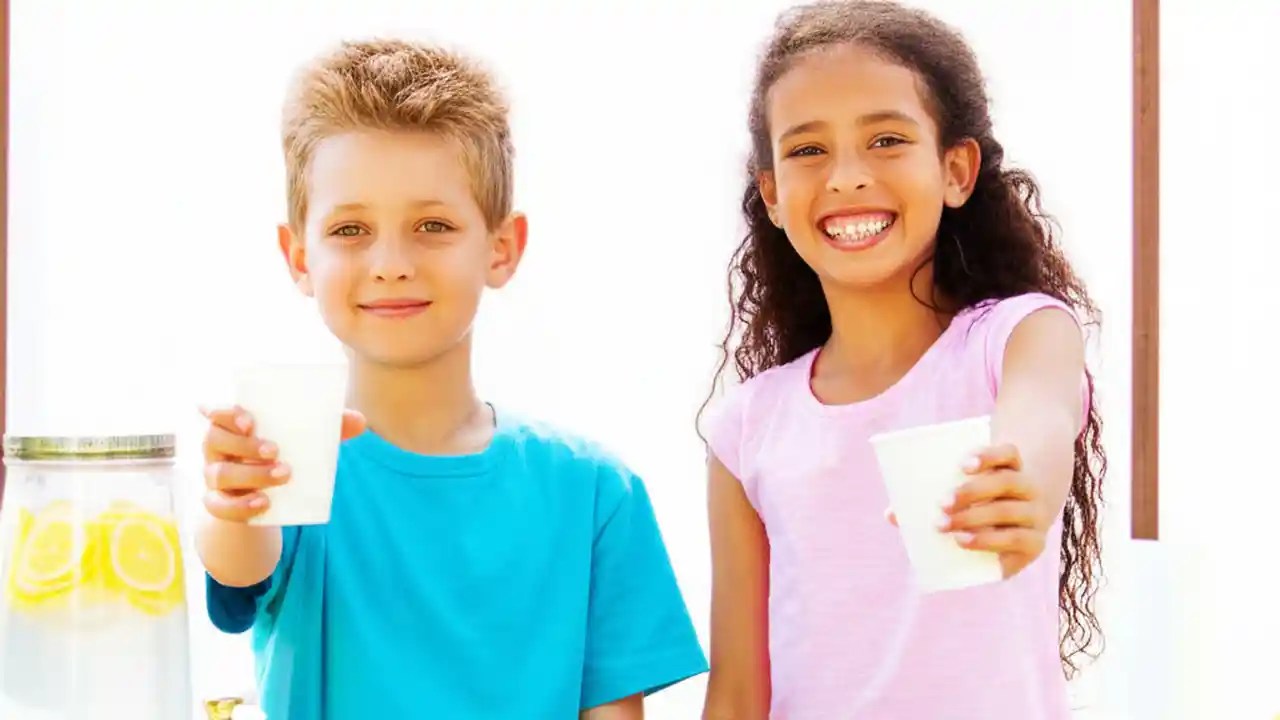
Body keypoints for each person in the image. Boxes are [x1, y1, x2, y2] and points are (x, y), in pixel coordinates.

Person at [196, 38, 707, 720]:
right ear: (298, 257)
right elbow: (237, 565)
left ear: (502, 248)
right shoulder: (287, 464)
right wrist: (235, 505)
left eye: (432, 225)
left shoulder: (592, 492)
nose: (390, 262)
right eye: (350, 229)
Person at [700, 2, 1107, 718]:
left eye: (886, 139)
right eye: (806, 150)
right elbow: (738, 692)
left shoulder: (1019, 336)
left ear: (955, 171)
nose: (847, 176)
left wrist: (1018, 491)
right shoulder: (746, 427)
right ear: (770, 195)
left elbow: (1034, 428)